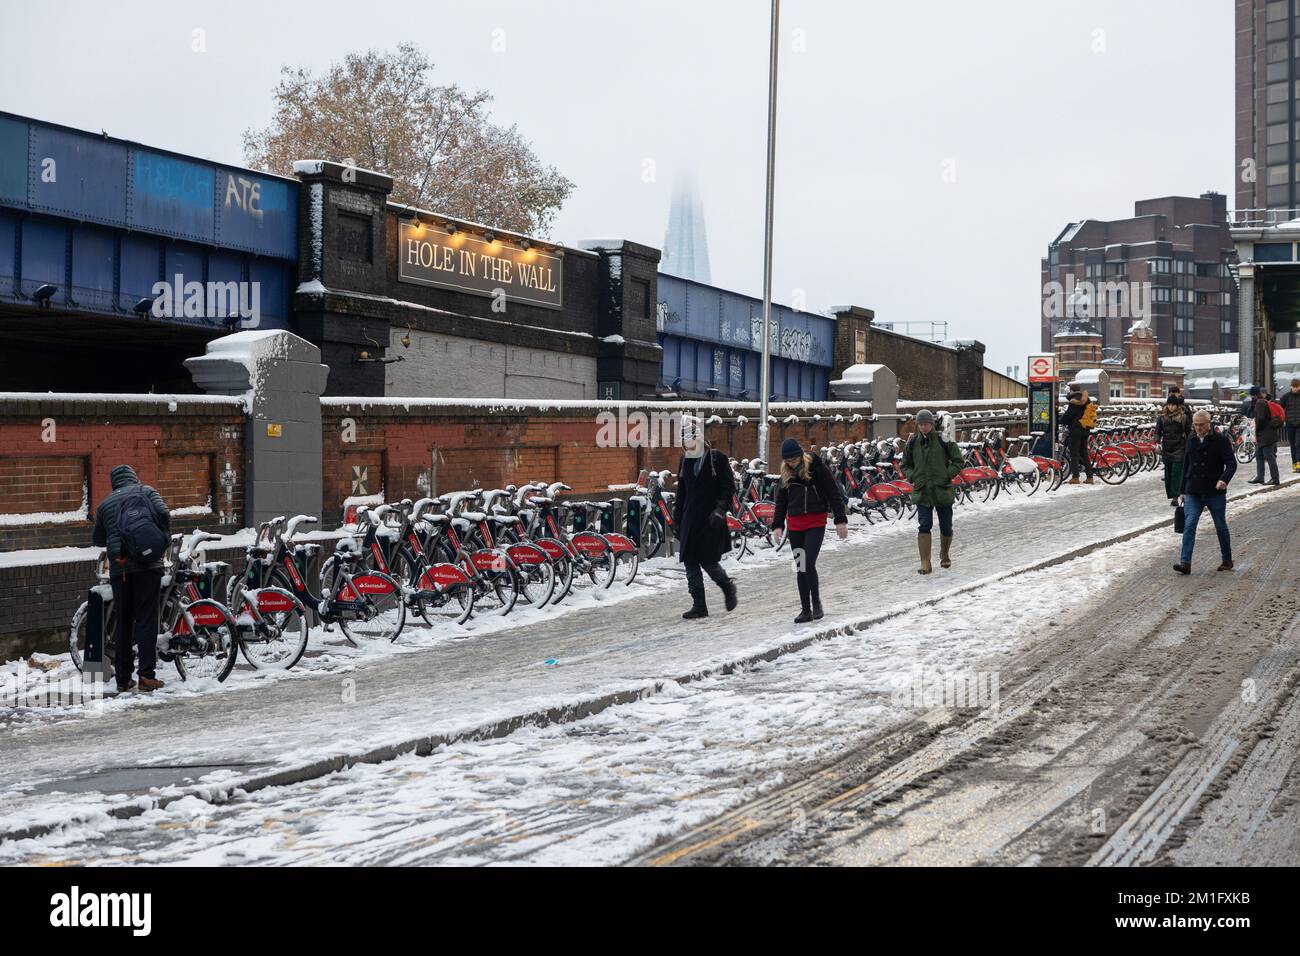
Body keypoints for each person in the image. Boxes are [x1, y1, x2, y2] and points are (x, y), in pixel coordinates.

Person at [91, 464, 170, 693]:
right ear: (134, 477)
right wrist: (162, 539)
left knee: (124, 622)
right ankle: (147, 676)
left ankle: (123, 679)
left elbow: (97, 539)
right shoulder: (146, 491)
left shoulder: (105, 505)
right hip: (149, 566)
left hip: (121, 569)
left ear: (114, 482)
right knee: (146, 619)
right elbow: (164, 513)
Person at [770, 438, 848, 623]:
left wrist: (840, 520)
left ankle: (816, 604)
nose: (792, 463)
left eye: (795, 459)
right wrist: (777, 525)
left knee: (809, 562)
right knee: (800, 566)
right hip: (795, 525)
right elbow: (781, 502)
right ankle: (805, 609)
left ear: (801, 455)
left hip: (815, 522)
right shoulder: (786, 474)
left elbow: (833, 493)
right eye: (788, 461)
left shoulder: (817, 468)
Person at [672, 419, 738, 619]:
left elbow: (728, 488)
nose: (687, 446)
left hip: (711, 520)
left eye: (690, 441)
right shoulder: (685, 461)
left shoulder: (716, 459)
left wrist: (720, 509)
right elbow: (682, 492)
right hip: (690, 520)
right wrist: (677, 519)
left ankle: (727, 587)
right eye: (684, 442)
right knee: (690, 563)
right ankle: (699, 605)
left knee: (708, 562)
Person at [900, 409, 963, 575]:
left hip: (942, 489)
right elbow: (905, 464)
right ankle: (925, 562)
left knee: (946, 526)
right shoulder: (913, 442)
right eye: (920, 424)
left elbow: (958, 461)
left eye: (926, 424)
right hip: (922, 491)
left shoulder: (944, 439)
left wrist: (947, 475)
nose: (924, 427)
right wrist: (911, 475)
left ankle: (945, 554)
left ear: (932, 424)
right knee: (924, 525)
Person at [1174, 410, 1236, 574]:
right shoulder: (1191, 439)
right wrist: (1181, 490)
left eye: (1201, 425)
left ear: (1209, 423)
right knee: (1189, 525)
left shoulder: (1221, 440)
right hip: (1193, 490)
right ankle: (1185, 563)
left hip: (1214, 490)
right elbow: (1186, 465)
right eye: (1195, 425)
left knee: (1220, 526)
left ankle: (1227, 560)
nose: (1198, 428)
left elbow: (1231, 464)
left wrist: (1224, 479)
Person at [1154, 397, 1190, 505]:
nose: (1171, 407)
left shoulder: (1183, 417)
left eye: (1173, 405)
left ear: (1177, 406)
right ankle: (1172, 494)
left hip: (1180, 448)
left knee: (1176, 473)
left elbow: (1189, 433)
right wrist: (1157, 442)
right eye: (1169, 405)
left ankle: (1176, 496)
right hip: (1167, 449)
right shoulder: (1162, 418)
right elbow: (1157, 432)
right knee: (1168, 474)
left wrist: (1190, 446)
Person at [1059, 386, 1097, 484]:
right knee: (1084, 453)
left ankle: (1075, 477)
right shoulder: (1086, 399)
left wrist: (1060, 421)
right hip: (1085, 428)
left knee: (1074, 454)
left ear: (1071, 391)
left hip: (1076, 430)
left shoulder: (1074, 401)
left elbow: (1068, 415)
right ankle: (1090, 477)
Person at [1249, 385, 1281, 485]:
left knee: (1269, 456)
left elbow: (1261, 419)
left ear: (1253, 395)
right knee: (1259, 455)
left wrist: (1257, 428)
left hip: (1266, 435)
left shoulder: (1260, 403)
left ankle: (1275, 479)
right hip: (1265, 434)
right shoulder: (1260, 402)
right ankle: (1260, 477)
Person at [1279, 378, 1300, 473]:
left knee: (1298, 444)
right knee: (1292, 445)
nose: (1295, 389)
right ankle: (1294, 464)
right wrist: (1282, 418)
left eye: (1297, 387)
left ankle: (1299, 463)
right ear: (1291, 386)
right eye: (1294, 387)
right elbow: (1280, 408)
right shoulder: (1286, 396)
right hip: (1290, 424)